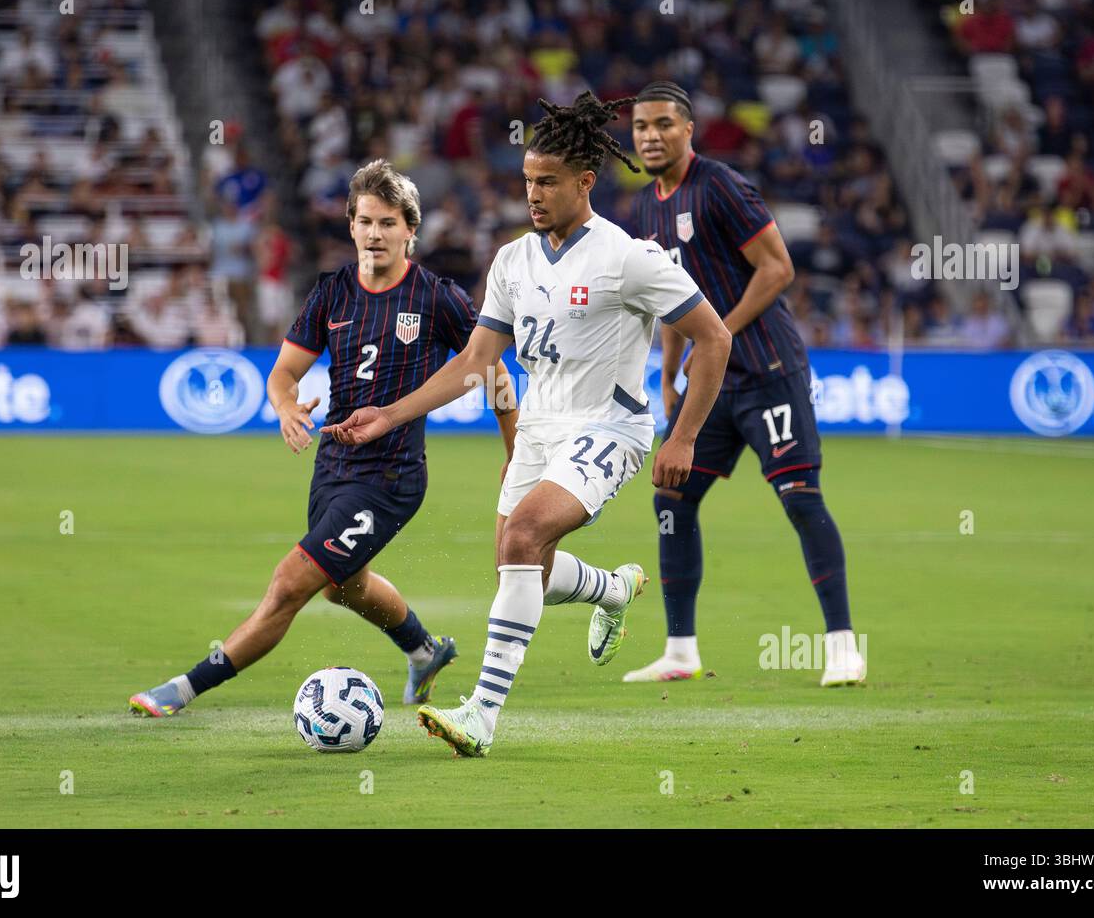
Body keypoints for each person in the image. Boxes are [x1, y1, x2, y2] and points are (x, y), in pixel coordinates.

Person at [323, 93, 732, 757]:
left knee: (522, 537)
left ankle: (481, 715)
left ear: (585, 182)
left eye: (547, 182)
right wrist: (388, 416)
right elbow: (475, 363)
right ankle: (612, 589)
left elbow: (714, 338)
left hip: (610, 427)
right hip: (541, 428)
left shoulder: (629, 258)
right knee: (522, 569)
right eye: (527, 181)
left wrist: (683, 435)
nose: (533, 195)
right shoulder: (513, 261)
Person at [129, 159, 519, 717]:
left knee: (292, 582)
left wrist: (514, 451)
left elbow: (493, 371)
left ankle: (184, 689)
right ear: (351, 225)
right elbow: (282, 374)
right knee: (342, 586)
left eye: (388, 223)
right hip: (333, 466)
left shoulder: (437, 297)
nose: (374, 234)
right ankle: (423, 650)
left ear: (410, 229)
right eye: (365, 221)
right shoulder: (332, 292)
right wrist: (286, 407)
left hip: (390, 478)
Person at [626, 81, 865, 688]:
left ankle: (843, 646)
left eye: (663, 124)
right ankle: (680, 650)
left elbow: (778, 268)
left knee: (800, 498)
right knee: (671, 498)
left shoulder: (721, 186)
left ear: (688, 130)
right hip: (709, 385)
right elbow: (669, 299)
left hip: (767, 372)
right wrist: (669, 375)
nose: (651, 136)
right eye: (641, 126)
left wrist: (718, 336)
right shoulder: (646, 207)